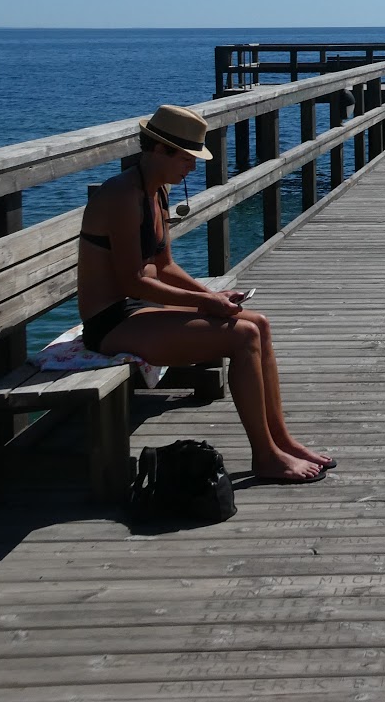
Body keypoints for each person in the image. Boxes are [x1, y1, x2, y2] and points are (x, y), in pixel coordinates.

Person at [77, 103, 332, 483]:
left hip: (140, 310)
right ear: (160, 150)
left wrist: (215, 294)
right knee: (243, 335)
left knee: (258, 323)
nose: (193, 167)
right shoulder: (122, 196)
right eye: (187, 157)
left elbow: (164, 266)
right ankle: (265, 456)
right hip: (112, 321)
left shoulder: (155, 192)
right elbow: (132, 281)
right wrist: (203, 301)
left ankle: (283, 441)